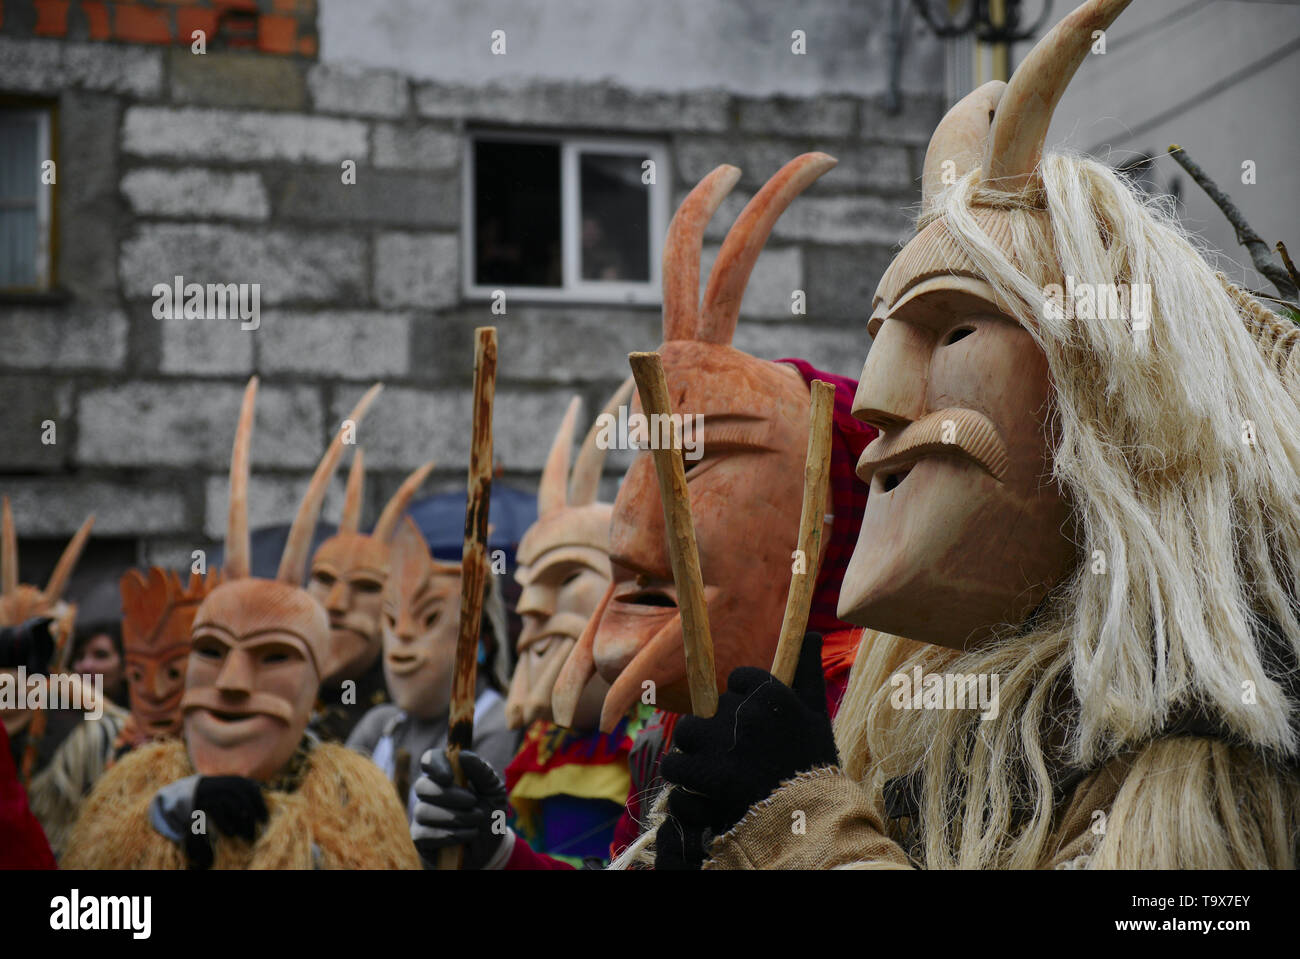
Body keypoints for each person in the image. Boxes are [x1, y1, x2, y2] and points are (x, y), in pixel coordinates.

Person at [640, 0, 1300, 869]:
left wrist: (802, 824)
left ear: (1116, 400)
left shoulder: (1206, 772)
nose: (876, 399)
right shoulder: (911, 737)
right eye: (880, 340)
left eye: (953, 330)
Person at [65, 378, 419, 869]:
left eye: (275, 656)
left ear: (315, 680)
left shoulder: (355, 799)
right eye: (210, 651)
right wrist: (174, 817)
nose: (232, 684)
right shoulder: (132, 790)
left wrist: (283, 844)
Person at [347, 517, 517, 821]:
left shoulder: (496, 726)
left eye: (430, 618)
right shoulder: (379, 726)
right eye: (391, 619)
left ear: (480, 642)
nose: (403, 637)